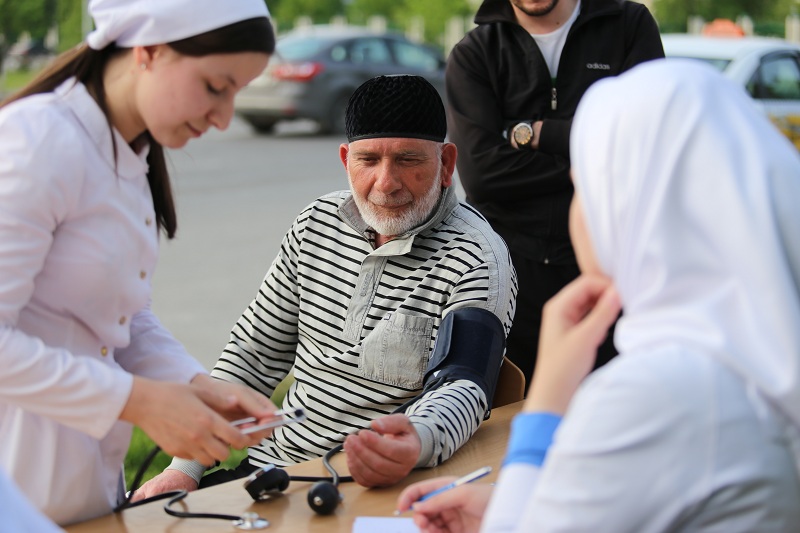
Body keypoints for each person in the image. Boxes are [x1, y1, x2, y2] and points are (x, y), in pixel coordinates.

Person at [397, 59, 800, 531]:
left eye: (582, 189)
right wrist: (517, 502)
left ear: (635, 205)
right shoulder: (753, 360)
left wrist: (547, 397)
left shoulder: (658, 393)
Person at [135, 74, 518, 498]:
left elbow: (462, 385)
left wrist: (416, 440)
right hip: (271, 471)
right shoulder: (314, 225)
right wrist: (185, 468)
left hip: (381, 485)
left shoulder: (478, 258)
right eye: (368, 160)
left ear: (446, 163)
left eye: (409, 160)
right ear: (344, 160)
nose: (386, 183)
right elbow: (254, 354)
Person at [0, 0, 280, 526]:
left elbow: (123, 319)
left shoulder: (128, 153)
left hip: (84, 494)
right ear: (149, 50)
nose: (223, 118)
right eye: (216, 87)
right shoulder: (35, 142)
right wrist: (139, 401)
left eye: (237, 94)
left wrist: (196, 386)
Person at [445, 0, 664, 383]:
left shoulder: (627, 25)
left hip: (613, 271)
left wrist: (533, 133)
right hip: (509, 275)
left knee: (613, 414)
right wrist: (598, 157)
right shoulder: (476, 52)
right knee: (519, 421)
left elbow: (647, 143)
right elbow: (483, 174)